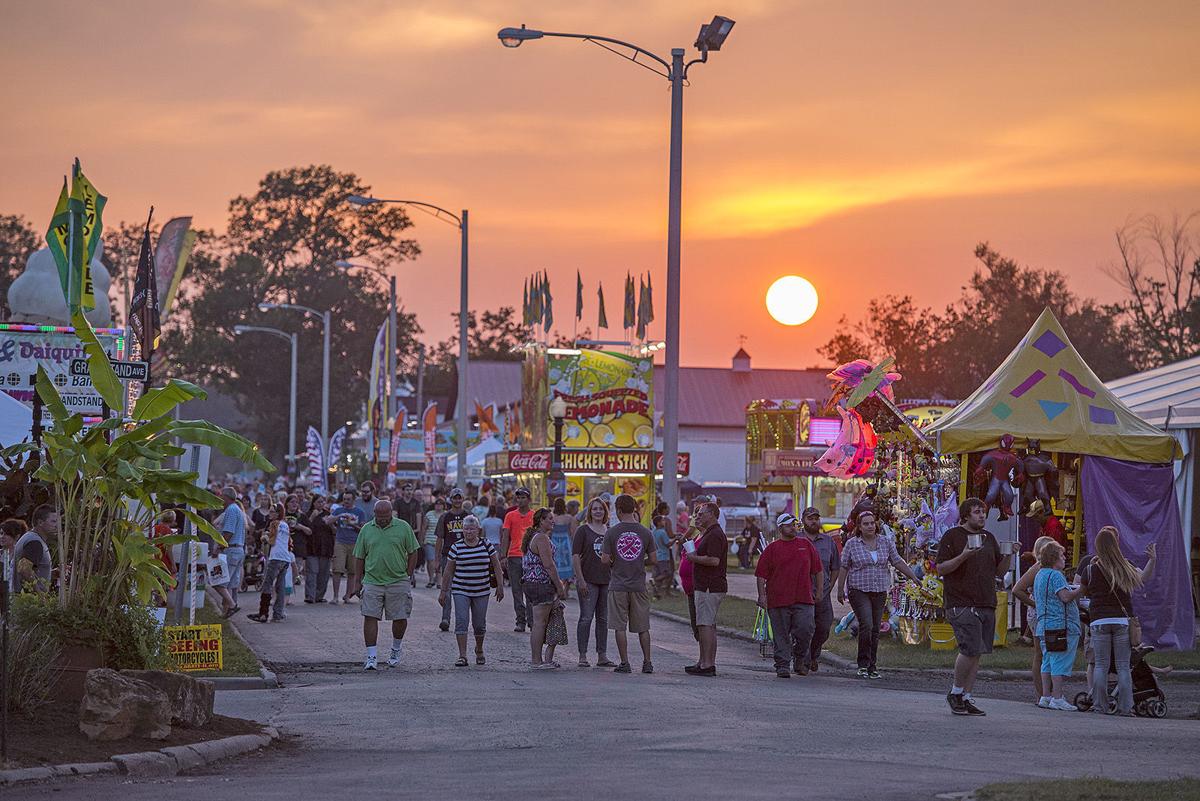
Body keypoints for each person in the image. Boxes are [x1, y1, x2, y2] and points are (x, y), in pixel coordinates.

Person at [936, 497, 1016, 716]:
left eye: (983, 512)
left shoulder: (989, 538)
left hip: (986, 600)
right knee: (969, 648)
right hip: (961, 602)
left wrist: (1008, 555)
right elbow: (941, 568)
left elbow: (999, 573)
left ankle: (966, 696)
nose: (981, 516)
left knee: (977, 652)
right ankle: (955, 692)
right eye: (977, 512)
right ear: (965, 515)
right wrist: (964, 555)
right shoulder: (952, 536)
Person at [1077, 525, 1157, 716]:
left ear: (1097, 545)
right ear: (1116, 544)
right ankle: (1125, 707)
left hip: (1098, 621)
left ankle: (1099, 705)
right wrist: (1152, 560)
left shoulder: (1089, 569)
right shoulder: (1125, 565)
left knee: (1101, 666)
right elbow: (1143, 578)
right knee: (1123, 666)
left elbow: (1082, 591)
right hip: (1121, 621)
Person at [835, 509, 920, 679]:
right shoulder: (852, 544)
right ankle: (863, 664)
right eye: (865, 524)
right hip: (859, 589)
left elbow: (897, 561)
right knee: (866, 624)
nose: (869, 526)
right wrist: (840, 589)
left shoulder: (885, 542)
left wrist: (913, 577)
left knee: (875, 627)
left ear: (876, 524)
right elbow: (844, 566)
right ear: (859, 526)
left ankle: (872, 665)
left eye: (872, 523)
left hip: (880, 590)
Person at [354, 500, 420, 670]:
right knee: (370, 616)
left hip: (398, 580)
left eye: (386, 516)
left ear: (392, 513)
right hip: (372, 580)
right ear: (374, 513)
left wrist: (408, 574)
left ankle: (395, 649)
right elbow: (359, 557)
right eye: (379, 516)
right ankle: (371, 656)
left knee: (400, 617)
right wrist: (357, 582)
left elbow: (413, 551)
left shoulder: (403, 527)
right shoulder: (366, 529)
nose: (382, 520)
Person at [755, 513, 823, 678]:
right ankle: (782, 665)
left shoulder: (805, 545)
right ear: (780, 528)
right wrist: (762, 596)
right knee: (781, 634)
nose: (793, 528)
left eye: (794, 525)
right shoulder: (772, 549)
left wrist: (819, 591)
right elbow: (761, 575)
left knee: (806, 629)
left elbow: (818, 570)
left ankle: (799, 657)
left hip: (803, 598)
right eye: (788, 525)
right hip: (778, 599)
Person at [601, 493, 657, 674]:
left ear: (617, 510)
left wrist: (616, 562)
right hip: (639, 585)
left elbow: (604, 559)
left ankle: (625, 663)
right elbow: (654, 559)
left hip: (618, 585)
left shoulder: (612, 532)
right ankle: (647, 662)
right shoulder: (646, 532)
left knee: (619, 626)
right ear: (635, 508)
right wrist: (639, 561)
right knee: (643, 627)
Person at [439, 515, 504, 666]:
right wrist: (443, 591)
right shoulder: (456, 547)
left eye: (472, 529)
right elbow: (448, 571)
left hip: (481, 590)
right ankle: (462, 656)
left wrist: (500, 586)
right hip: (461, 589)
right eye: (466, 529)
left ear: (478, 530)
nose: (469, 532)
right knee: (461, 621)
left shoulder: (486, 544)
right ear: (462, 531)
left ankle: (479, 649)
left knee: (479, 624)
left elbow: (496, 565)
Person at [1031, 540, 1083, 710]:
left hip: (1044, 625)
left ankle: (1046, 696)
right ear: (1054, 558)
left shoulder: (1040, 574)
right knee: (1060, 661)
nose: (1064, 559)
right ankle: (1057, 697)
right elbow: (1065, 597)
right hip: (1061, 625)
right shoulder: (1056, 575)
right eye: (1061, 555)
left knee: (1047, 661)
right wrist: (1081, 590)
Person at [1010, 536, 1057, 702]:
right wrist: (1035, 603)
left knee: (1050, 652)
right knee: (1040, 653)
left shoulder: (1049, 569)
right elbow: (1017, 590)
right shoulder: (1036, 569)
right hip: (1038, 614)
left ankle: (1050, 690)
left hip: (1048, 613)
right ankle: (1041, 693)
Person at [683, 501, 726, 677]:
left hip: (710, 585)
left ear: (713, 514)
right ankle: (703, 661)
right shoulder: (708, 533)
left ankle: (707, 664)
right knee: (705, 625)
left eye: (702, 514)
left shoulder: (715, 534)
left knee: (705, 624)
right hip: (704, 585)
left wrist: (694, 558)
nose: (698, 517)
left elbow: (714, 560)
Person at [572, 497, 615, 668]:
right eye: (595, 509)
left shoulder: (610, 531)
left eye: (601, 509)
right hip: (588, 580)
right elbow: (575, 556)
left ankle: (602, 655)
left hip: (606, 581)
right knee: (586, 617)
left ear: (606, 512)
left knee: (603, 619)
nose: (598, 512)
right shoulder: (583, 531)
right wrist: (580, 579)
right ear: (589, 512)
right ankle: (582, 655)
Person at [522, 507, 568, 669]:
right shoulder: (541, 538)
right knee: (540, 623)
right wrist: (559, 585)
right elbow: (548, 564)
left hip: (532, 583)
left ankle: (540, 659)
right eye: (549, 518)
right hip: (541, 583)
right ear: (541, 521)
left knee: (539, 622)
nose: (552, 521)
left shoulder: (535, 536)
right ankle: (536, 660)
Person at [799, 507, 840, 672]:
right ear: (803, 521)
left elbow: (835, 567)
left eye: (816, 518)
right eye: (810, 518)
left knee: (823, 627)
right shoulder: (797, 539)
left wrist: (829, 587)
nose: (814, 521)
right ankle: (804, 658)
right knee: (804, 627)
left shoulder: (828, 541)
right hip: (801, 593)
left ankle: (814, 654)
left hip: (822, 593)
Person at [247, 503, 293, 623]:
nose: (270, 514)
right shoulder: (285, 525)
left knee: (267, 584)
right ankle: (278, 614)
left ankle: (263, 613)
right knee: (280, 587)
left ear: (278, 513)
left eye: (272, 512)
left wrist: (264, 538)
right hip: (285, 558)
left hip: (275, 558)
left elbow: (271, 541)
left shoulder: (274, 523)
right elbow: (288, 542)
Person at [434, 488, 471, 632]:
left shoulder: (469, 516)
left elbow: (477, 535)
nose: (457, 500)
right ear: (451, 499)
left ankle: (463, 619)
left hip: (466, 556)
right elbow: (439, 539)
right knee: (447, 588)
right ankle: (445, 618)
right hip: (448, 555)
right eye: (454, 498)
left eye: (459, 498)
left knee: (464, 589)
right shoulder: (445, 517)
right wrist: (437, 560)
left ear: (463, 499)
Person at [501, 487, 534, 633]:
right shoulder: (510, 515)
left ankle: (532, 621)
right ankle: (520, 620)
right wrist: (503, 556)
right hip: (514, 556)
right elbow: (505, 536)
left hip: (531, 557)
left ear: (529, 499)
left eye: (523, 497)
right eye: (518, 497)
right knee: (517, 590)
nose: (520, 500)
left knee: (531, 590)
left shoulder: (535, 515)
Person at [331, 489, 366, 604]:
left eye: (348, 499)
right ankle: (335, 596)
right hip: (340, 542)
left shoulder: (359, 512)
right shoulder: (339, 510)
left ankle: (347, 596)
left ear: (354, 500)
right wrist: (339, 516)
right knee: (337, 569)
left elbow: (363, 530)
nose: (346, 501)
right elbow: (327, 521)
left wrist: (352, 524)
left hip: (355, 543)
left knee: (352, 571)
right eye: (344, 499)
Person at [12, 505, 55, 594]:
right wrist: (40, 594)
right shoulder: (35, 542)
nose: (57, 525)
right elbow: (24, 568)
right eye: (53, 521)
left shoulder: (30, 537)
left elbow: (31, 570)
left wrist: (51, 573)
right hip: (29, 603)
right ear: (40, 522)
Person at [219, 487, 248, 611]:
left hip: (231, 549)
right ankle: (226, 610)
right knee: (230, 583)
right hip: (239, 549)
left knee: (220, 582)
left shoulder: (231, 510)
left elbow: (228, 532)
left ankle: (231, 605)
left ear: (226, 497)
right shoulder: (238, 510)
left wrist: (219, 546)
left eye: (221, 496)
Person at [304, 495, 335, 603]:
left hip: (325, 547)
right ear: (313, 503)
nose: (321, 504)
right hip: (312, 546)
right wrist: (312, 517)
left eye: (322, 502)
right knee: (312, 571)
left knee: (323, 573)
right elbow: (305, 528)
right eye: (318, 502)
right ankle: (310, 596)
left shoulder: (328, 514)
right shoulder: (308, 514)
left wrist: (330, 523)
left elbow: (334, 530)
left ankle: (319, 596)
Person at [394, 482, 424, 587]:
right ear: (403, 491)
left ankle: (411, 575)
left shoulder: (415, 503)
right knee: (401, 553)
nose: (409, 492)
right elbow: (395, 515)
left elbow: (418, 516)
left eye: (410, 490)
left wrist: (418, 529)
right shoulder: (398, 502)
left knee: (412, 553)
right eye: (407, 490)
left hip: (412, 531)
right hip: (400, 531)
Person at [550, 498, 576, 591]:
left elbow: (548, 531)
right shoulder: (569, 518)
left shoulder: (551, 517)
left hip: (554, 542)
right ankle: (566, 590)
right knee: (568, 565)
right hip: (566, 543)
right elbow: (573, 533)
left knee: (555, 564)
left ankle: (557, 588)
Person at [422, 498, 445, 588]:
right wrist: (422, 538)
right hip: (429, 540)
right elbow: (424, 527)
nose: (438, 506)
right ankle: (431, 579)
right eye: (437, 504)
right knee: (431, 560)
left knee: (439, 561)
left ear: (443, 506)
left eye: (440, 504)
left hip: (442, 541)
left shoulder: (445, 514)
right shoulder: (429, 514)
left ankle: (439, 581)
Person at [650, 514, 674, 598]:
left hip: (656, 555)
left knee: (658, 573)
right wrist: (675, 539)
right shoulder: (662, 532)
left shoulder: (653, 531)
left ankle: (656, 594)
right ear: (659, 522)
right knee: (667, 573)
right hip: (663, 556)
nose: (664, 522)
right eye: (663, 520)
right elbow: (667, 544)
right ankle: (654, 580)